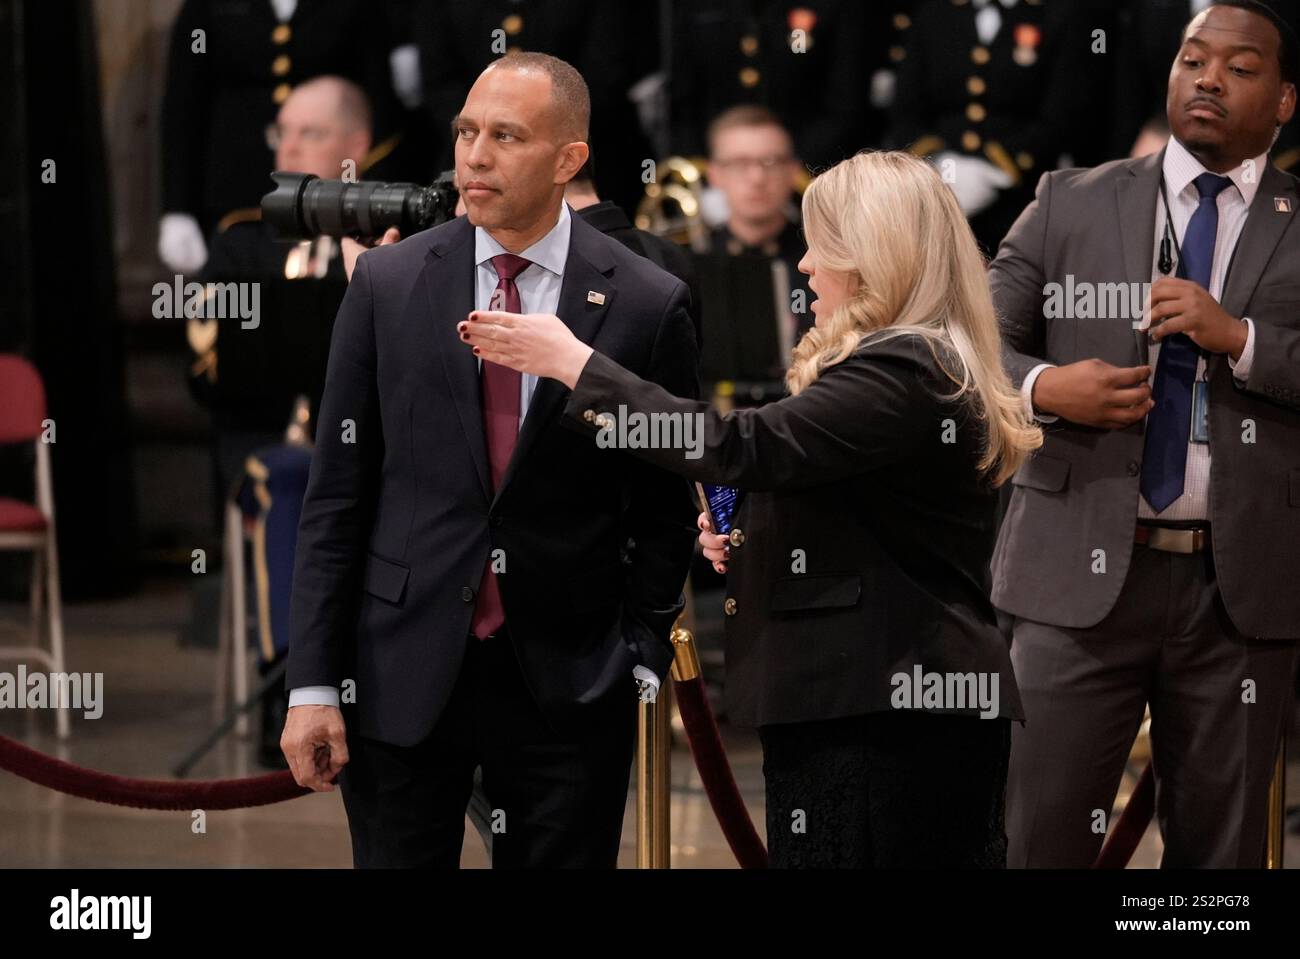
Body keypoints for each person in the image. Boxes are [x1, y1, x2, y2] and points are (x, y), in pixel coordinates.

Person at [462, 150, 1042, 868]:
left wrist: (576, 365)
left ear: (873, 254)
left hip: (893, 713)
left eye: (821, 245)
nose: (804, 266)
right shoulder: (913, 366)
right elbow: (807, 474)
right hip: (867, 703)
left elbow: (745, 445)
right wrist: (746, 521)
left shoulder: (906, 369)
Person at [280, 52, 698, 868]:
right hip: (400, 671)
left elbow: (664, 501)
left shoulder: (648, 303)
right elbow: (336, 496)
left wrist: (637, 651)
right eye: (467, 132)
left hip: (568, 687)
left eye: (506, 136)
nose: (474, 155)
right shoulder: (390, 283)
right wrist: (313, 684)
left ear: (569, 158)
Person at [990, 0, 1300, 867]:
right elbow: (968, 344)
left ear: (1284, 101)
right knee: (1038, 841)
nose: (1209, 78)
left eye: (1240, 68)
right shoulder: (1068, 200)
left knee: (1218, 865)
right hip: (1073, 574)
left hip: (1238, 594)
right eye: (1193, 59)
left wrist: (1240, 340)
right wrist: (1050, 386)